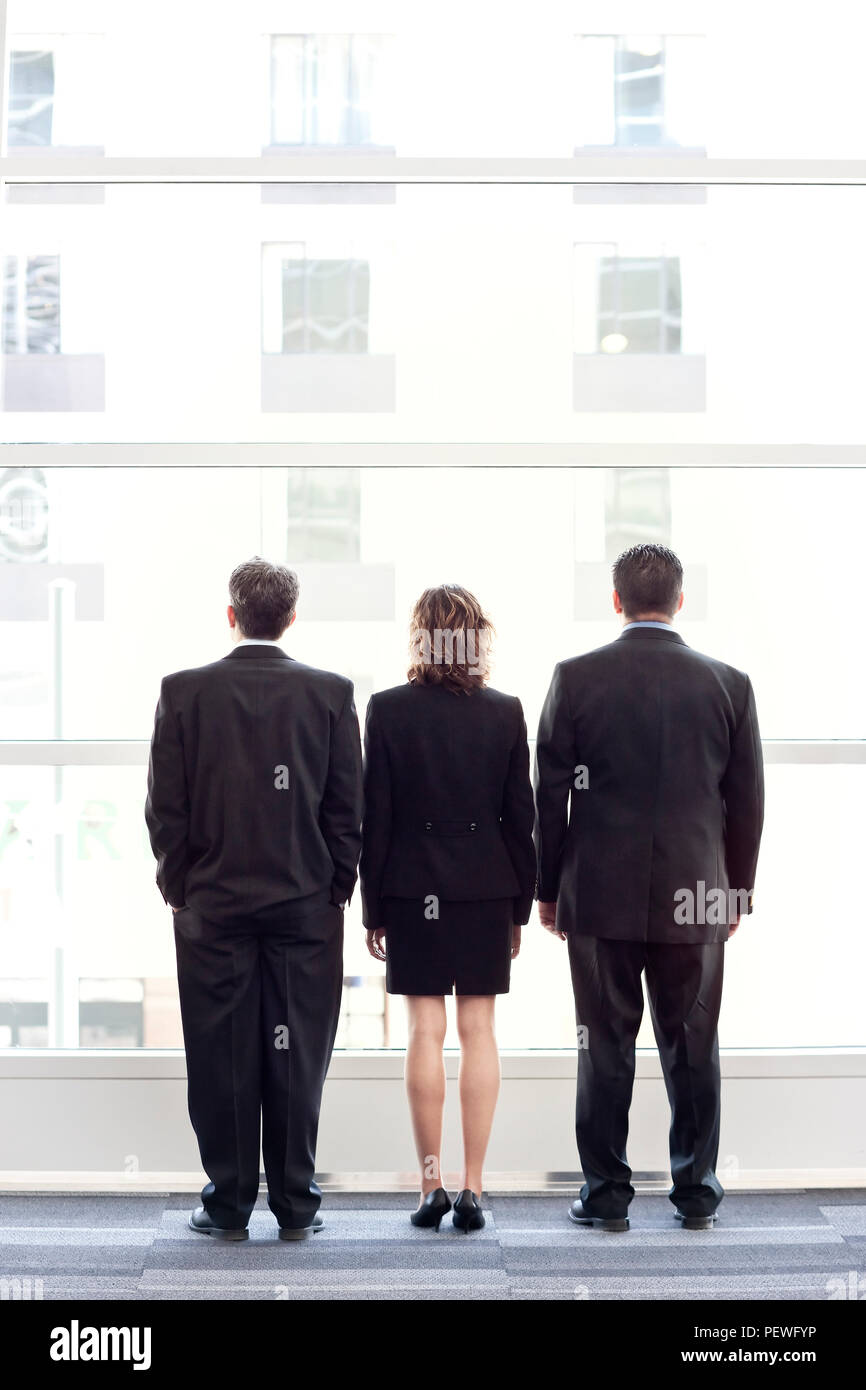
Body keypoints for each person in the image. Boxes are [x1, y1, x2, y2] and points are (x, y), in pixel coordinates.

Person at [534, 544, 764, 1233]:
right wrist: (736, 893)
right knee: (693, 1044)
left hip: (598, 895)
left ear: (616, 601)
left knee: (604, 1044)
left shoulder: (576, 678)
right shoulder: (728, 683)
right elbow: (747, 801)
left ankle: (605, 1197)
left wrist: (549, 890)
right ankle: (696, 1193)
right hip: (698, 897)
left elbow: (548, 796)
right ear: (680, 600)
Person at [145, 557, 362, 1241]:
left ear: (231, 615)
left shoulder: (184, 693)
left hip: (213, 906)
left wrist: (180, 887)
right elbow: (347, 808)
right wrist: (336, 890)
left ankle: (229, 1204)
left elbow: (164, 810)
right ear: (291, 618)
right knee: (298, 1055)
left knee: (221, 1056)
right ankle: (297, 1205)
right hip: (305, 907)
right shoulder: (330, 693)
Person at [360, 585, 536, 1232]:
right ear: (475, 637)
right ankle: (476, 1188)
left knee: (424, 1032)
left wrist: (373, 907)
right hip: (485, 889)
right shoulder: (505, 712)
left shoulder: (386, 711)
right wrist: (519, 906)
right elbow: (522, 820)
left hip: (411, 890)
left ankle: (431, 1186)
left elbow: (373, 819)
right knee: (479, 1032)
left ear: (419, 637)